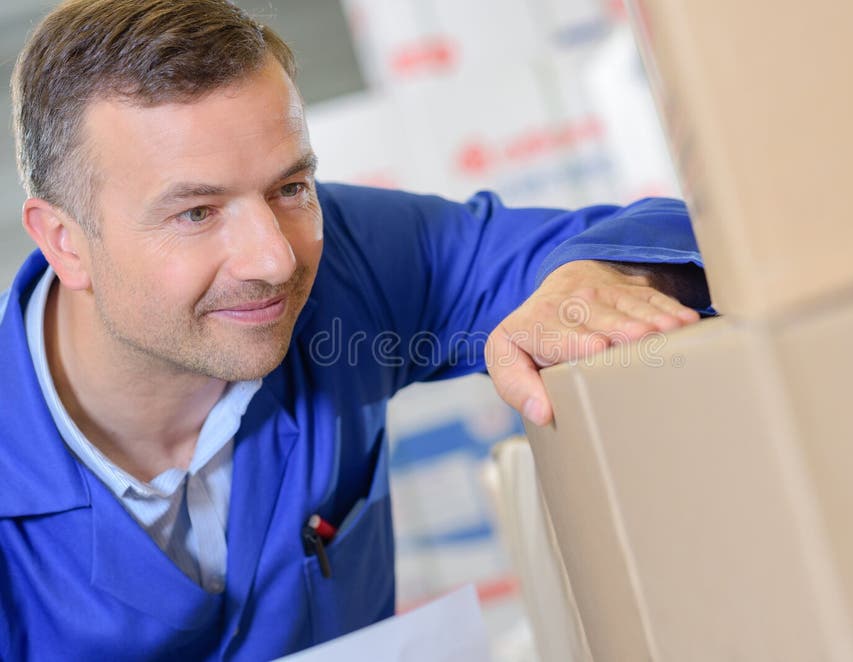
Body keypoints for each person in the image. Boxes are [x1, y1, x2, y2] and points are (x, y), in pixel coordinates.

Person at [0, 0, 711, 659]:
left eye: (290, 187)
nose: (275, 260)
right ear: (64, 242)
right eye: (196, 213)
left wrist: (598, 282)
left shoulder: (349, 261)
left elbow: (674, 234)